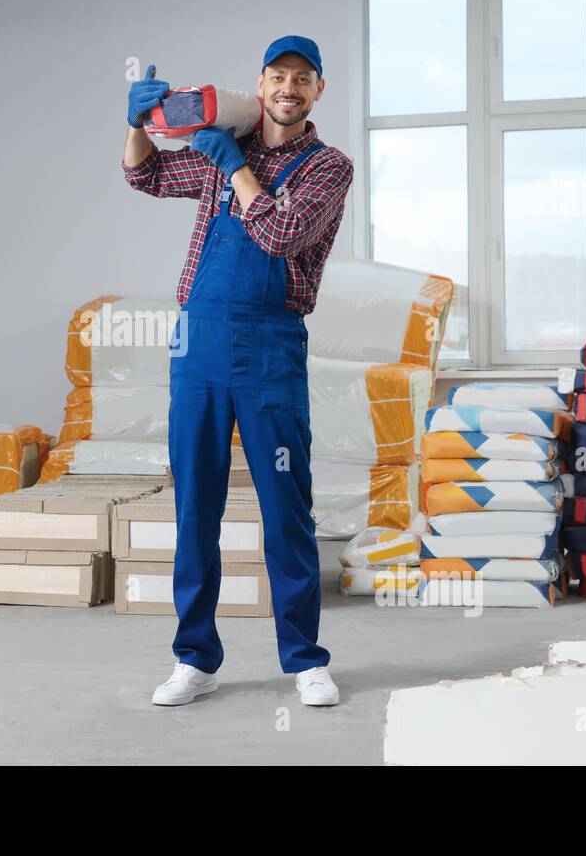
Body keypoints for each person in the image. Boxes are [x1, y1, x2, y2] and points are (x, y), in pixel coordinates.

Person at [122, 36, 354, 708]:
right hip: (197, 344)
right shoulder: (230, 144)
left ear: (318, 90)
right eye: (278, 76)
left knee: (285, 507)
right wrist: (136, 123)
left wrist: (233, 167)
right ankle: (194, 657)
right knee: (196, 507)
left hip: (270, 346)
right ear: (261, 84)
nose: (288, 87)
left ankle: (305, 659)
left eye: (302, 78)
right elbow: (146, 176)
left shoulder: (326, 167)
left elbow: (282, 235)